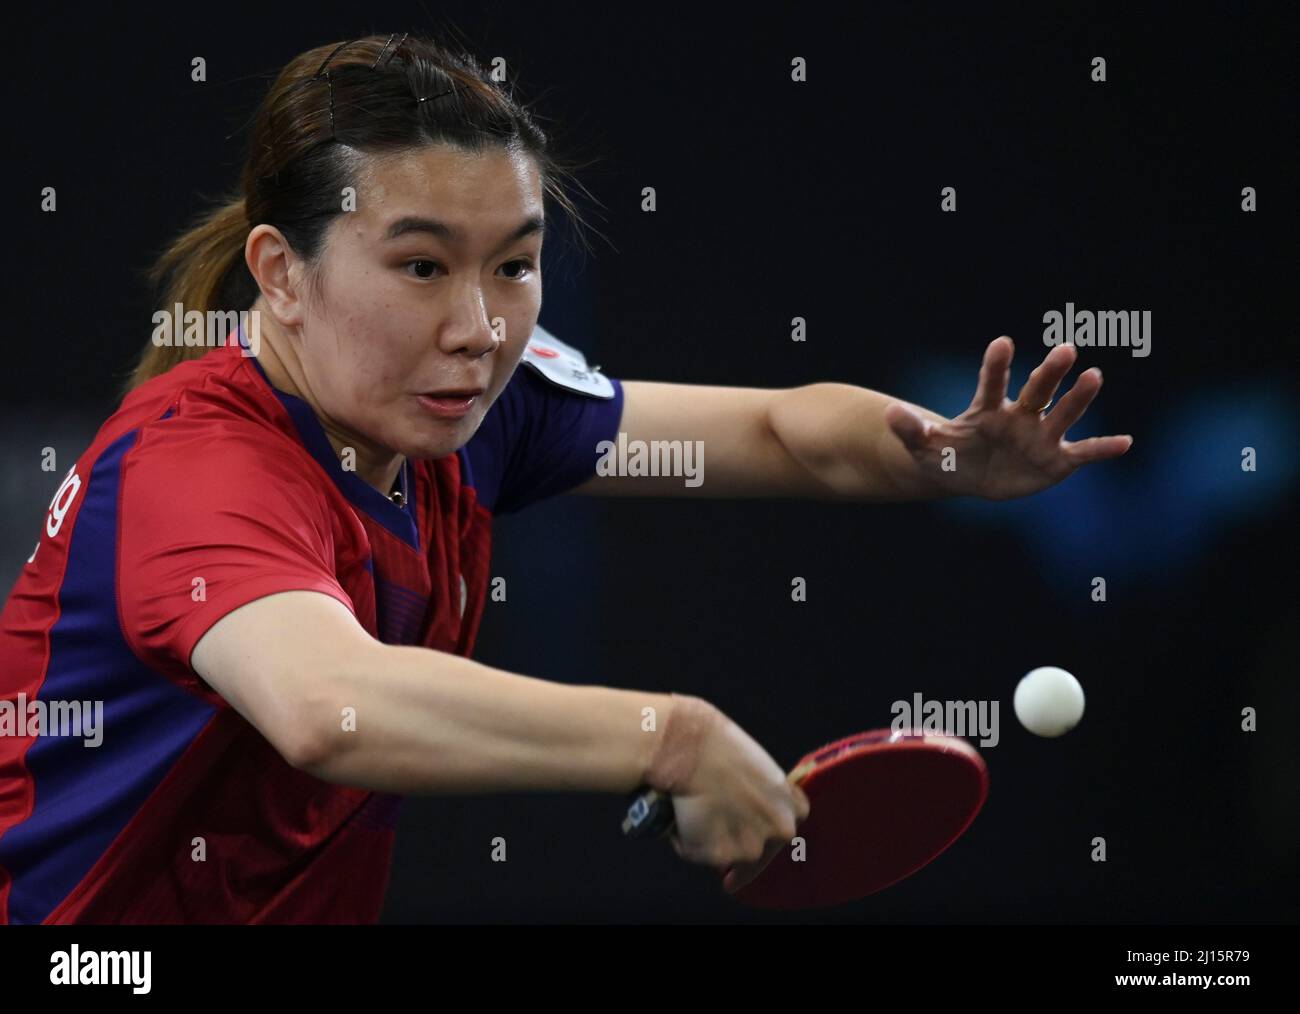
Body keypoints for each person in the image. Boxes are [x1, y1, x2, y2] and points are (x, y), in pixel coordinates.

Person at [0, 32, 1131, 924]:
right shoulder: (194, 467)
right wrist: (669, 737)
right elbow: (327, 708)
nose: (480, 326)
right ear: (280, 274)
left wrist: (940, 454)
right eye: (422, 266)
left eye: (516, 265)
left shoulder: (476, 402)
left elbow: (783, 433)